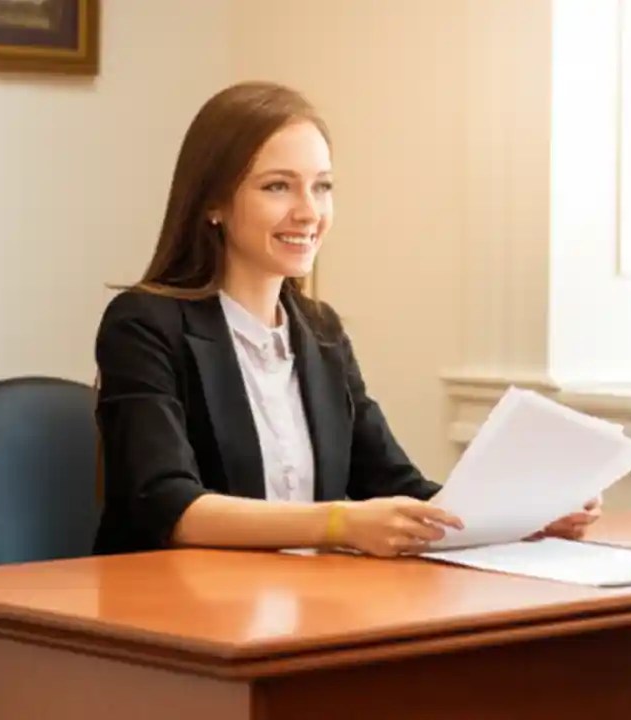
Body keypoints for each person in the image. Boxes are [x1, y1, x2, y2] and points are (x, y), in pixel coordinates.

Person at [93, 82, 600, 558]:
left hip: (305, 607)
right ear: (213, 203)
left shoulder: (321, 332)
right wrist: (340, 523)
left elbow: (392, 484)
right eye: (278, 187)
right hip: (179, 612)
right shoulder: (143, 324)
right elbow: (167, 505)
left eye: (322, 186)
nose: (309, 211)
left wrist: (524, 516)